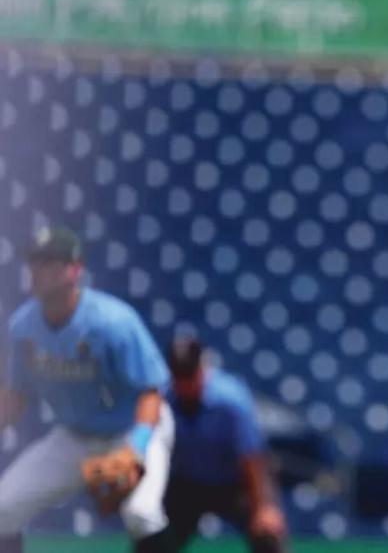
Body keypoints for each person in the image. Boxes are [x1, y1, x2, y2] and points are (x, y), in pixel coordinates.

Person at [0, 226, 174, 553]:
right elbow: (13, 399)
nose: (39, 271)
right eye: (35, 263)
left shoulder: (113, 322)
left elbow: (151, 392)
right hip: (75, 435)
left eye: (51, 263)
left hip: (134, 429)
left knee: (141, 514)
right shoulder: (22, 328)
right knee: (3, 509)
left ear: (75, 269)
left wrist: (134, 449)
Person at [162, 333, 287, 553]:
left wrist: (264, 507)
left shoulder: (231, 399)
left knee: (267, 534)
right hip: (186, 483)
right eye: (178, 376)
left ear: (201, 368)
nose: (183, 384)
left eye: (188, 375)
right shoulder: (162, 398)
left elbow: (252, 456)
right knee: (151, 539)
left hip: (236, 483)